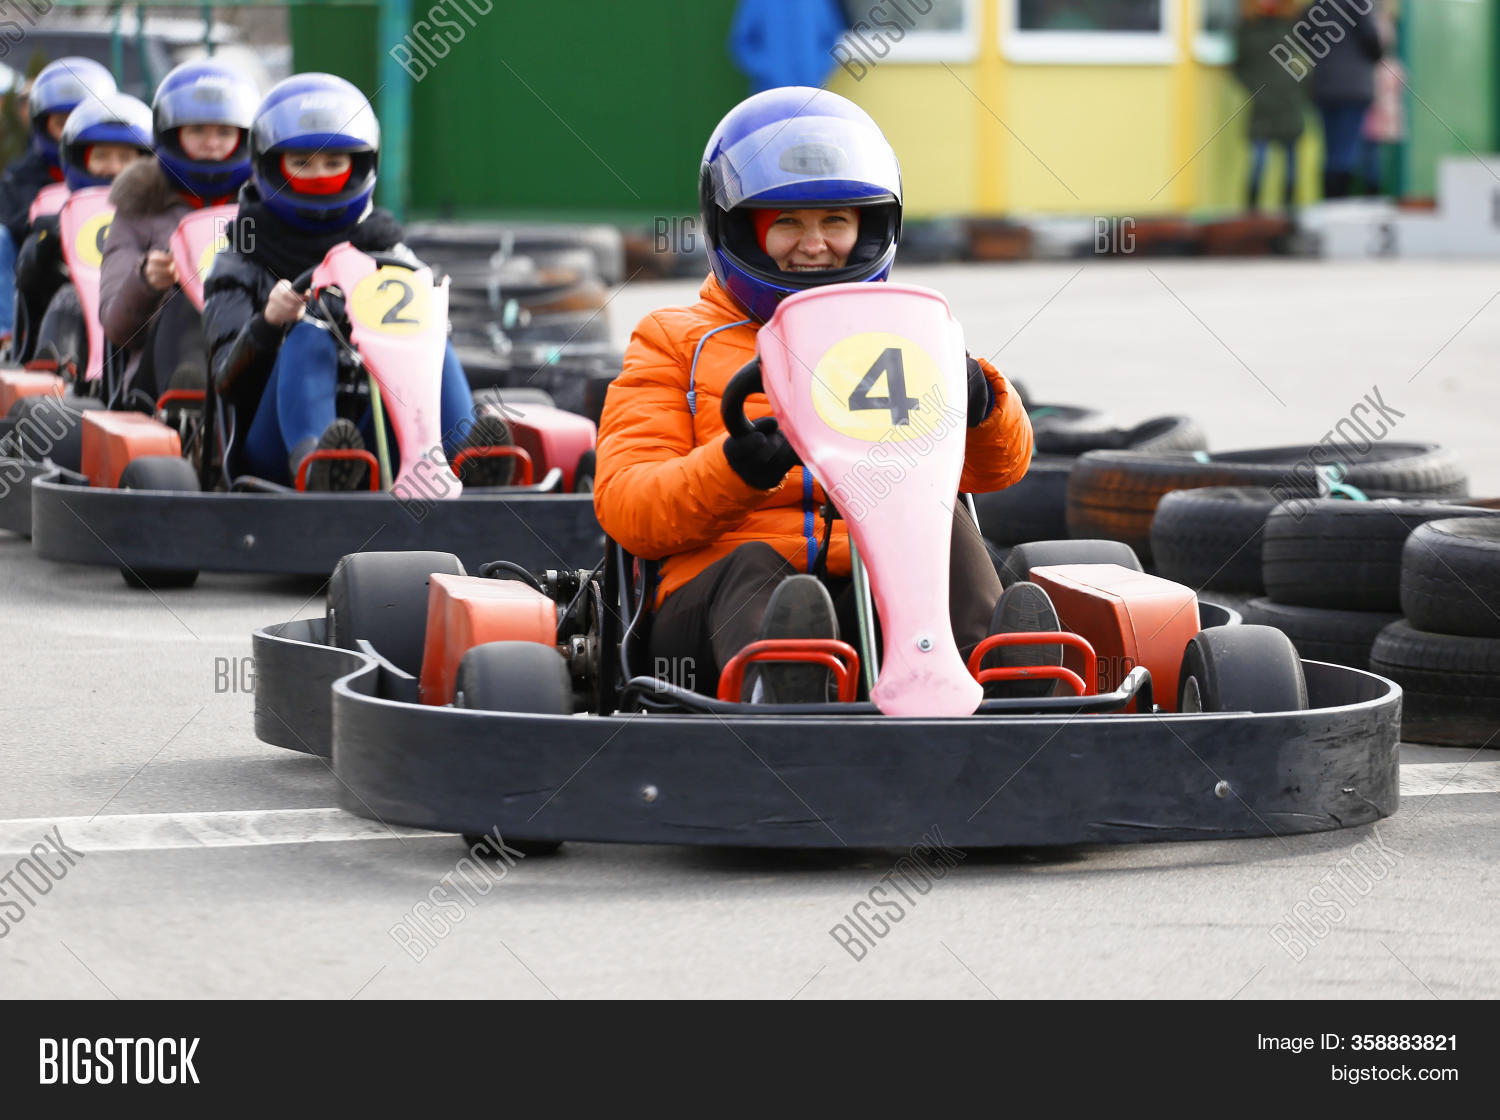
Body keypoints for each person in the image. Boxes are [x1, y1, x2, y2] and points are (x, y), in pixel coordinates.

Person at [593, 87, 1034, 703]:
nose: (814, 244)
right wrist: (736, 468)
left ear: (871, 224)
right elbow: (628, 509)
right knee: (757, 572)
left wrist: (984, 401)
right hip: (712, 617)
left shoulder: (904, 329)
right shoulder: (672, 340)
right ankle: (788, 693)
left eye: (835, 221)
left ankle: (1016, 686)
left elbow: (998, 470)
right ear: (738, 229)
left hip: (888, 599)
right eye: (787, 223)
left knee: (948, 525)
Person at [202, 73, 509, 491]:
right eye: (304, 163)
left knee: (430, 335)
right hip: (271, 451)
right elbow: (225, 378)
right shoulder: (240, 257)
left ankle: (461, 458)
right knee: (311, 332)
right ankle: (320, 464)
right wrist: (269, 323)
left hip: (377, 440)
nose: (320, 175)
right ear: (272, 164)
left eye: (333, 163)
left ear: (359, 165)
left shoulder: (387, 251)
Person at [99, 59, 260, 408]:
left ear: (243, 137)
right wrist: (147, 281)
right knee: (190, 295)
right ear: (173, 134)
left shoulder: (265, 208)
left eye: (223, 132)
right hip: (154, 381)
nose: (211, 143)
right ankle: (188, 411)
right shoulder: (139, 208)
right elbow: (116, 326)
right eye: (198, 131)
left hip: (251, 355)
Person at [12, 91, 153, 366]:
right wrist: (50, 242)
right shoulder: (53, 207)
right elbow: (28, 278)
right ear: (79, 160)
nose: (113, 168)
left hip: (136, 310)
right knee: (69, 300)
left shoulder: (159, 213)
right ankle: (58, 369)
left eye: (125, 158)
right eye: (101, 156)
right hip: (72, 303)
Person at [0, 57, 117, 352]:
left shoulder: (121, 173)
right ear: (43, 124)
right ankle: (8, 335)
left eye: (83, 116)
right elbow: (16, 219)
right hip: (45, 265)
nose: (73, 128)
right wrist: (49, 227)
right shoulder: (23, 173)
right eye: (62, 122)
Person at [1232, 0, 1309, 212]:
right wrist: (1256, 91)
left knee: (1291, 166)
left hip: (1289, 102)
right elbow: (1238, 66)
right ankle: (1251, 217)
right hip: (1262, 105)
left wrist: (1298, 86)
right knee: (1258, 163)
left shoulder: (1293, 24)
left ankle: (1288, 215)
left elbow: (1306, 59)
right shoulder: (1246, 27)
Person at [1310, 0, 1383, 200]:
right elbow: (1373, 44)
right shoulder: (1360, 5)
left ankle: (1328, 203)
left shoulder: (1320, 6)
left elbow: (1303, 36)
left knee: (1330, 149)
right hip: (1353, 88)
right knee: (1346, 151)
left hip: (1324, 85)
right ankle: (1338, 205)